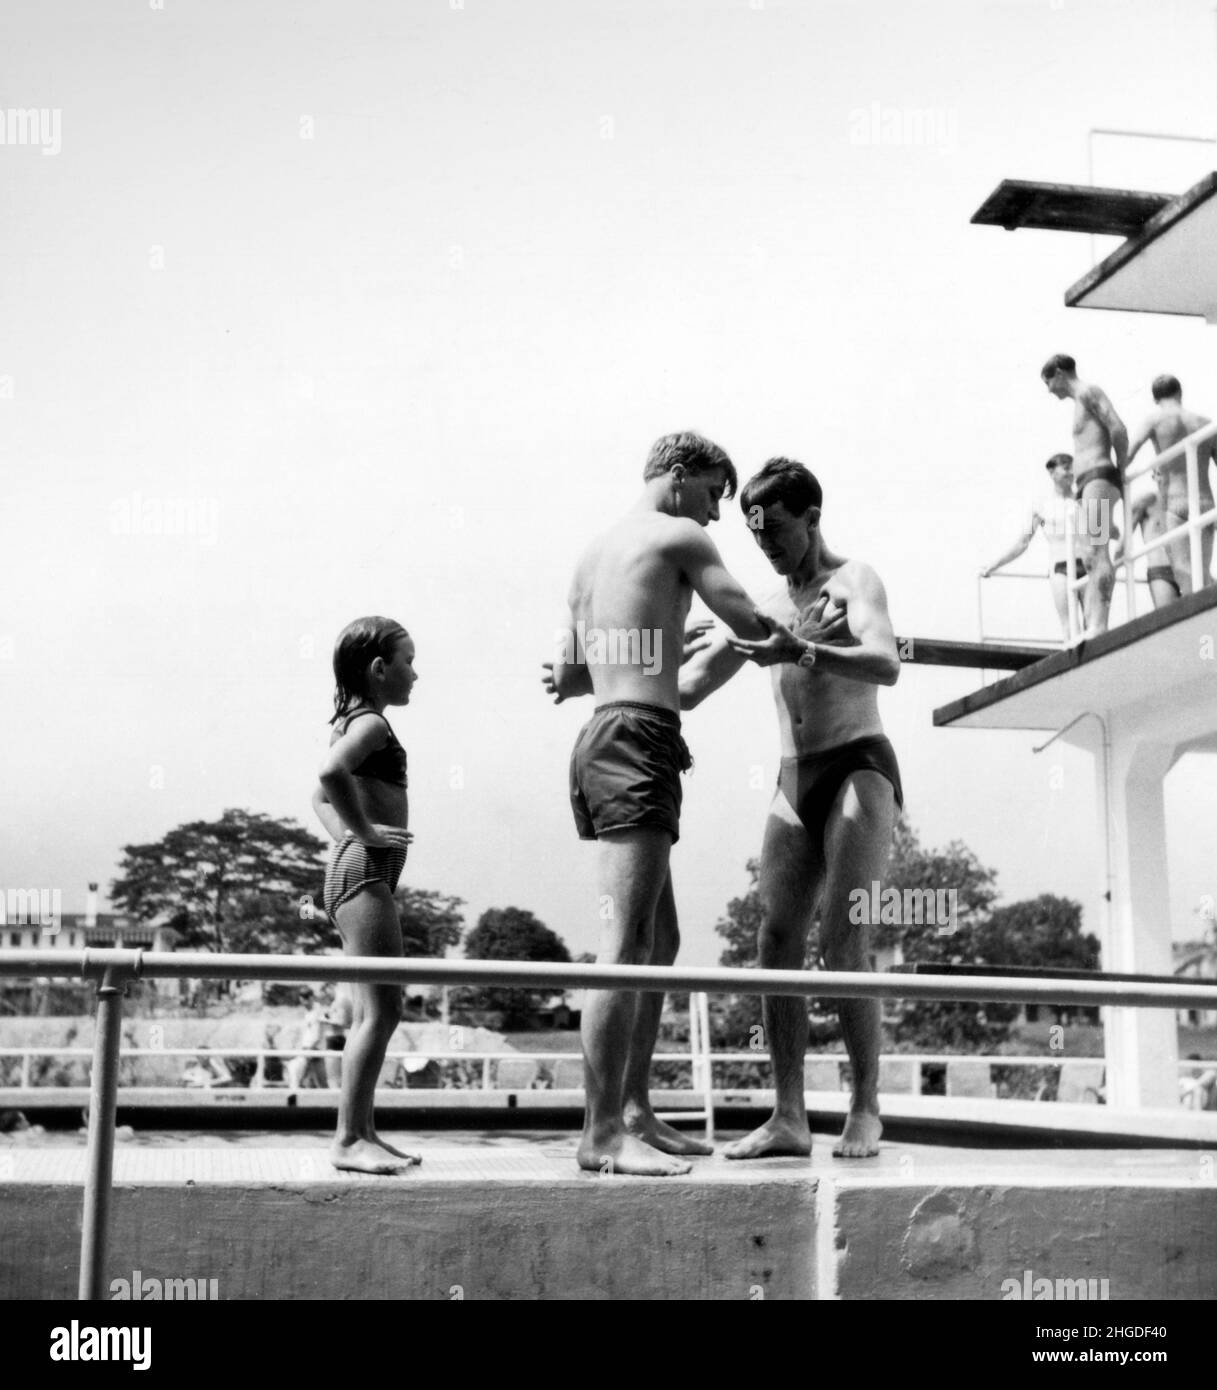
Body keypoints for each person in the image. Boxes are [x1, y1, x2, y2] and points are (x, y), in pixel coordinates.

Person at [542, 431, 770, 1177]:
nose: (715, 515)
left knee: (658, 940)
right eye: (713, 494)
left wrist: (668, 645)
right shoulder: (679, 537)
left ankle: (634, 1109)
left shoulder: (590, 557)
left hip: (606, 734)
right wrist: (805, 633)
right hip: (637, 741)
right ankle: (601, 1132)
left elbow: (570, 676)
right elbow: (751, 623)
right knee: (622, 945)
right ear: (678, 476)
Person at [679, 457, 901, 1158]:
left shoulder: (854, 580)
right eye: (755, 536)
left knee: (842, 940)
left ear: (811, 518)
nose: (767, 546)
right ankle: (788, 1116)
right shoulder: (768, 607)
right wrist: (629, 649)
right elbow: (688, 690)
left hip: (857, 763)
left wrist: (801, 650)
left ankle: (865, 1107)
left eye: (775, 530)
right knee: (775, 940)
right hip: (793, 775)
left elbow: (886, 662)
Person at [312, 616, 419, 1175]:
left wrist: (349, 836)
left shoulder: (350, 722)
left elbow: (319, 799)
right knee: (384, 1009)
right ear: (379, 669)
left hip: (355, 871)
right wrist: (367, 835)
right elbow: (330, 774)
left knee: (366, 1012)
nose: (415, 674)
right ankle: (350, 1138)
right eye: (408, 662)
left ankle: (363, 1132)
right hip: (364, 874)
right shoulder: (373, 724)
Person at [1041, 354, 1128, 635]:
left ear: (1058, 373)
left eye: (1048, 382)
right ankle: (1094, 620)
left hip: (1099, 477)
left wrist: (1122, 468)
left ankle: (1099, 624)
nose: (1049, 391)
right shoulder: (1079, 401)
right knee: (1089, 553)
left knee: (1097, 552)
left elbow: (1117, 427)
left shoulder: (1089, 392)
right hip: (1088, 484)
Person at [981, 453, 1089, 640]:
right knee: (1070, 627)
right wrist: (994, 565)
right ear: (1052, 472)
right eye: (1066, 468)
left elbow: (1101, 536)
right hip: (1061, 568)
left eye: (1073, 468)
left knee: (1093, 624)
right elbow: (1023, 542)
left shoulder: (1085, 498)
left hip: (1087, 565)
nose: (1071, 472)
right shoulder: (1042, 505)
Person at [1126, 375, 1215, 594]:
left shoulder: (1155, 420)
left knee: (1184, 572)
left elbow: (1129, 454)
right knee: (1202, 572)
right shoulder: (1205, 423)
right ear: (1179, 392)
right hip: (1205, 501)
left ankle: (1197, 615)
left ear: (1155, 399)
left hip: (1174, 501)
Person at [1116, 488, 1182, 610]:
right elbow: (1124, 541)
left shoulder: (1183, 497)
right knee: (1168, 615)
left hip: (1185, 568)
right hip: (1161, 570)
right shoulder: (1148, 500)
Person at [321, 982, 355, 1089]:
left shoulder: (341, 1001)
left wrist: (325, 1020)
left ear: (330, 987)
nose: (327, 995)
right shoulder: (342, 1001)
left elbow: (341, 1022)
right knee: (339, 1077)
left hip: (334, 1039)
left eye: (326, 992)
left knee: (333, 1078)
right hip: (338, 1038)